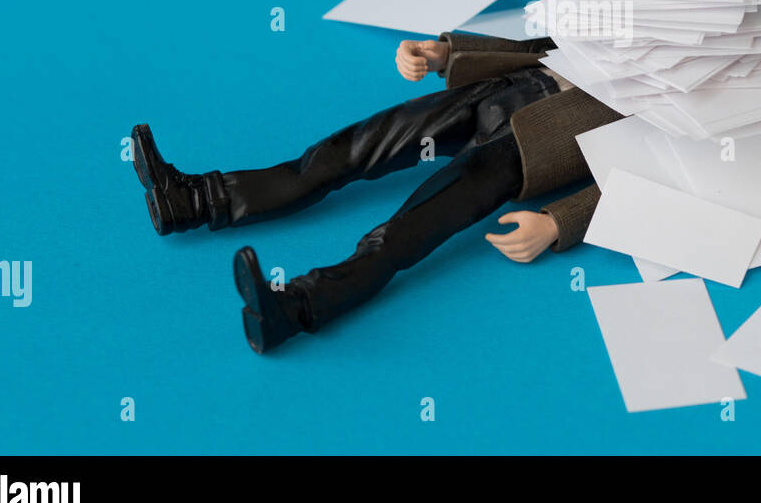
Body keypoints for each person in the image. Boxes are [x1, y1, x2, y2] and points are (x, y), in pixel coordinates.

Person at [130, 32, 619, 353]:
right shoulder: (645, 7)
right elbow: (537, 43)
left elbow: (651, 177)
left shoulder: (693, 100)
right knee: (342, 153)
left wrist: (558, 222)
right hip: (498, 93)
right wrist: (443, 53)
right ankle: (192, 199)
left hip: (526, 150)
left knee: (408, 230)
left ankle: (296, 306)